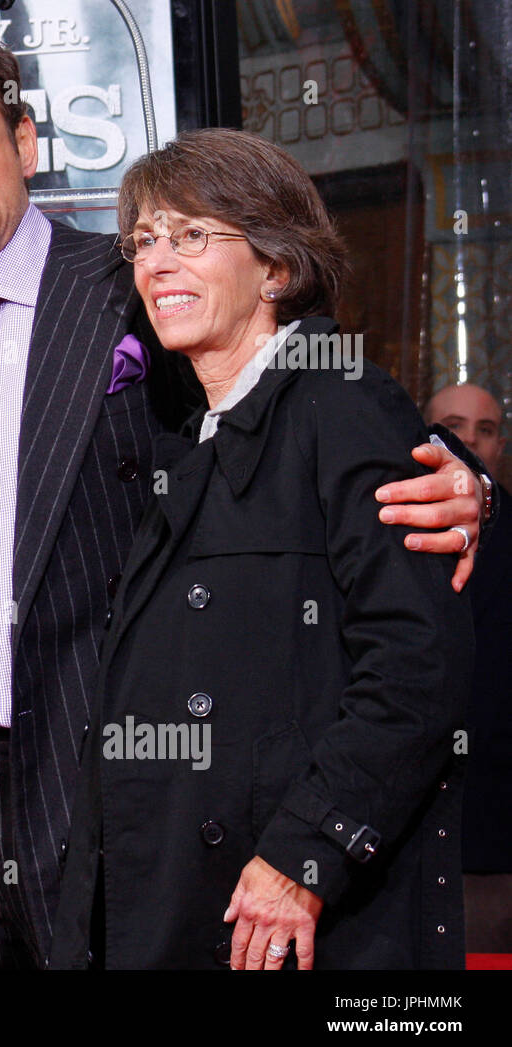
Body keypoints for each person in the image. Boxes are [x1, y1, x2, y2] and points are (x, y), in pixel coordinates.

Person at [0, 16, 487, 970]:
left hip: (106, 785)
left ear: (24, 142)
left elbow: (300, 407)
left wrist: (465, 487)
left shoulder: (140, 289)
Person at [48, 128, 473, 970]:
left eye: (192, 236)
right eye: (144, 241)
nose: (157, 262)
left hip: (303, 922)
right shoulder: (184, 437)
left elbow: (417, 664)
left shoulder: (340, 401)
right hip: (189, 906)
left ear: (276, 267)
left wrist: (304, 858)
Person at [426, 383, 512, 955]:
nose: (472, 440)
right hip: (396, 826)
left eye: (486, 428)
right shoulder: (384, 523)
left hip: (494, 832)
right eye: (455, 424)